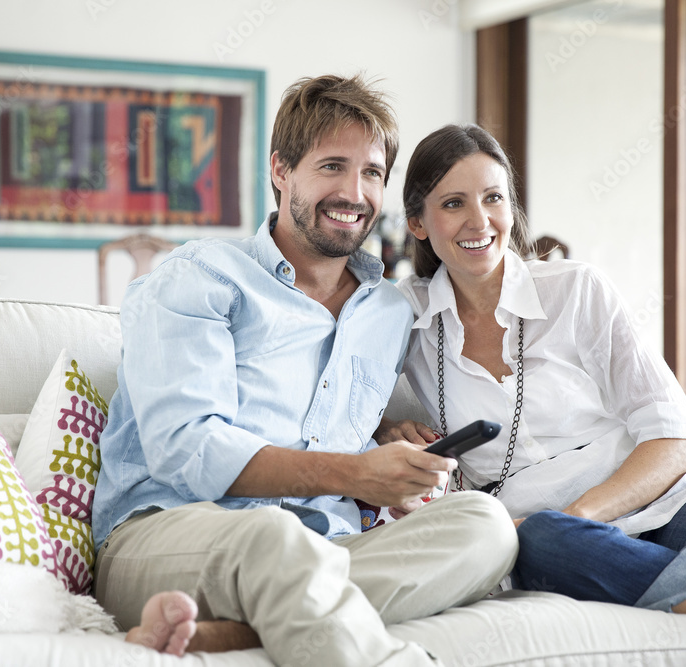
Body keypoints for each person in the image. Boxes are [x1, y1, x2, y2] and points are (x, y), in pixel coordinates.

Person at [378, 123, 686, 664]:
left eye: (493, 197)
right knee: (538, 540)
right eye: (454, 203)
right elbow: (337, 400)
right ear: (418, 224)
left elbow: (677, 437)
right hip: (547, 538)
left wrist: (584, 514)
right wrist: (385, 429)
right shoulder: (404, 318)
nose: (480, 221)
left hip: (663, 498)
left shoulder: (575, 289)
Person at [90, 79, 518, 666]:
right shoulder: (202, 278)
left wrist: (385, 437)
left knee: (486, 527)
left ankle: (233, 635)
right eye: (332, 166)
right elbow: (186, 451)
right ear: (281, 171)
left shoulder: (391, 312)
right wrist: (357, 472)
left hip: (327, 544)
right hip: (169, 535)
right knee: (274, 536)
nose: (353, 191)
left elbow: (321, 411)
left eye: (371, 172)